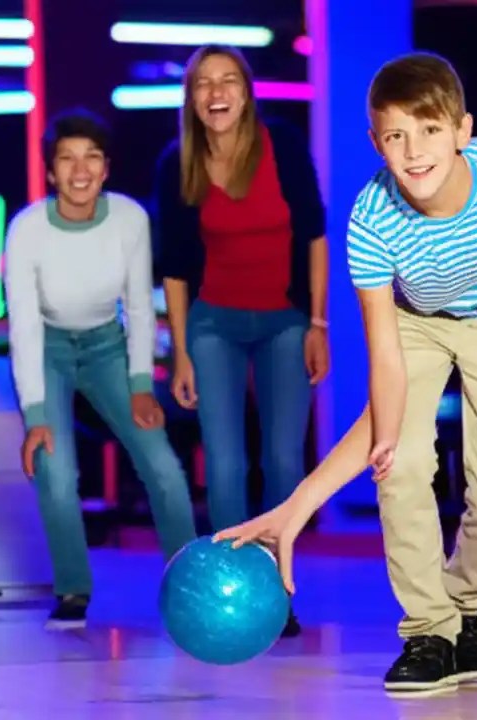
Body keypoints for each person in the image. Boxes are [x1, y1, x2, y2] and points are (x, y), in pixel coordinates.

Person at [215, 51, 477, 692]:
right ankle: (430, 632)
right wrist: (304, 504)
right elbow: (386, 357)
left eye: (431, 131)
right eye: (395, 136)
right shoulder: (372, 220)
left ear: (463, 130)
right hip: (419, 323)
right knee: (400, 461)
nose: (414, 152)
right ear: (374, 141)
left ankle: (464, 606)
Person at [152, 45, 330, 636]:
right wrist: (179, 351)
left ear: (247, 93)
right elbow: (175, 268)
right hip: (213, 325)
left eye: (228, 80)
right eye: (204, 83)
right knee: (225, 465)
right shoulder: (178, 163)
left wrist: (319, 324)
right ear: (193, 99)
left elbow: (315, 236)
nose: (216, 92)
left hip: (284, 320)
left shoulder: (283, 146)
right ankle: (230, 595)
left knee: (282, 461)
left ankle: (277, 593)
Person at [5, 109, 197, 629]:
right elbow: (22, 324)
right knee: (56, 470)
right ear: (50, 173)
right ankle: (72, 592)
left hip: (108, 346)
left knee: (160, 464)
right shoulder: (25, 231)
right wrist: (36, 413)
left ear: (106, 168)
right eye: (67, 159)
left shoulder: (131, 219)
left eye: (91, 157)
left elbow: (139, 306)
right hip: (46, 346)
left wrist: (140, 384)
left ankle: (187, 587)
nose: (80, 169)